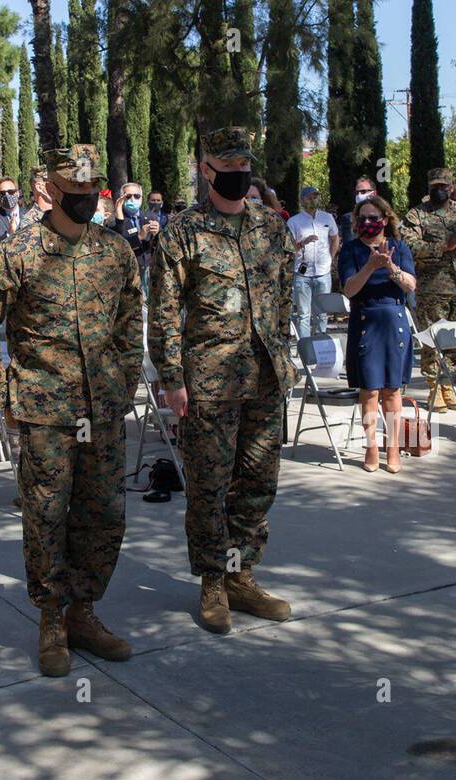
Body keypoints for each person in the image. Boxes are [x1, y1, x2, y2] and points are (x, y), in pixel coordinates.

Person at [0, 143, 143, 678]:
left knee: (103, 515)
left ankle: (84, 611)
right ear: (51, 190)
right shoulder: (16, 252)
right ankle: (51, 618)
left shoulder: (114, 251)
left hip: (103, 408)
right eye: (73, 192)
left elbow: (129, 319)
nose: (84, 201)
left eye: (90, 193)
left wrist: (126, 378)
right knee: (47, 514)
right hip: (44, 407)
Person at [150, 126, 297, 636]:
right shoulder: (183, 231)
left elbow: (283, 297)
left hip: (264, 376)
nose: (238, 175)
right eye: (228, 167)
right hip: (209, 381)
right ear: (206, 170)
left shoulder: (270, 227)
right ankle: (213, 580)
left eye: (244, 167)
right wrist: (171, 377)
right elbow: (164, 312)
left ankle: (242, 574)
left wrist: (283, 353)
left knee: (258, 483)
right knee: (210, 486)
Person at [338, 195, 416, 473]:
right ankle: (371, 448)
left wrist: (390, 267)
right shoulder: (350, 251)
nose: (369, 222)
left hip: (394, 321)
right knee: (370, 391)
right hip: (365, 320)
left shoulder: (400, 247)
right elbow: (349, 289)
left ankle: (392, 448)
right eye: (364, 218)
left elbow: (410, 285)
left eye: (375, 217)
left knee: (392, 391)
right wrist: (371, 266)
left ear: (386, 219)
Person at [399, 167, 456, 412]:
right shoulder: (416, 215)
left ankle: (448, 386)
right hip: (432, 286)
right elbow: (409, 246)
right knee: (433, 338)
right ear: (429, 187)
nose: (440, 190)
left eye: (444, 187)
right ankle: (433, 387)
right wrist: (443, 247)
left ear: (451, 187)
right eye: (435, 186)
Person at [286, 185, 340, 339]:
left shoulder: (327, 218)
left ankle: (321, 344)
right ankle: (306, 347)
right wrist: (303, 242)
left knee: (322, 313)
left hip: (323, 272)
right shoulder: (294, 222)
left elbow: (335, 238)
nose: (313, 199)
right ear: (302, 200)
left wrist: (330, 257)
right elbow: (289, 248)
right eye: (310, 197)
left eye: (316, 196)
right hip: (302, 274)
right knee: (304, 314)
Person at [112, 181, 157, 286]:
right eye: (128, 196)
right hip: (127, 271)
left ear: (141, 198)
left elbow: (157, 245)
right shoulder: (115, 220)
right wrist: (140, 237)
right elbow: (119, 245)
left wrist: (156, 233)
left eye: (136, 196)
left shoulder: (150, 217)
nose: (132, 199)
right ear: (121, 199)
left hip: (147, 268)